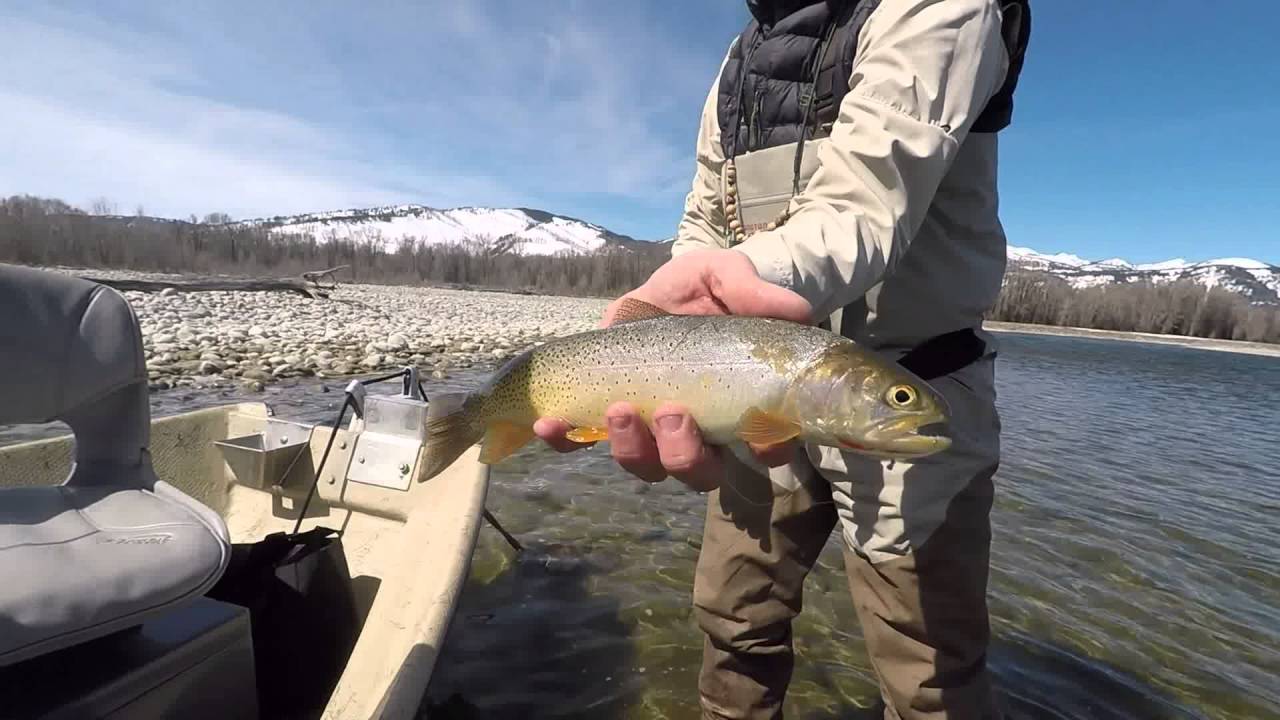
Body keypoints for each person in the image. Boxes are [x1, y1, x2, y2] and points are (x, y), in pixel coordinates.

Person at [536, 0, 1031, 717]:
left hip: (909, 386)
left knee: (928, 676)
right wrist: (682, 321)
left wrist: (734, 288)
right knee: (732, 623)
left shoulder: (939, 8)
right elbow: (704, 224)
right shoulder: (738, 63)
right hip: (751, 385)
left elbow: (863, 205)